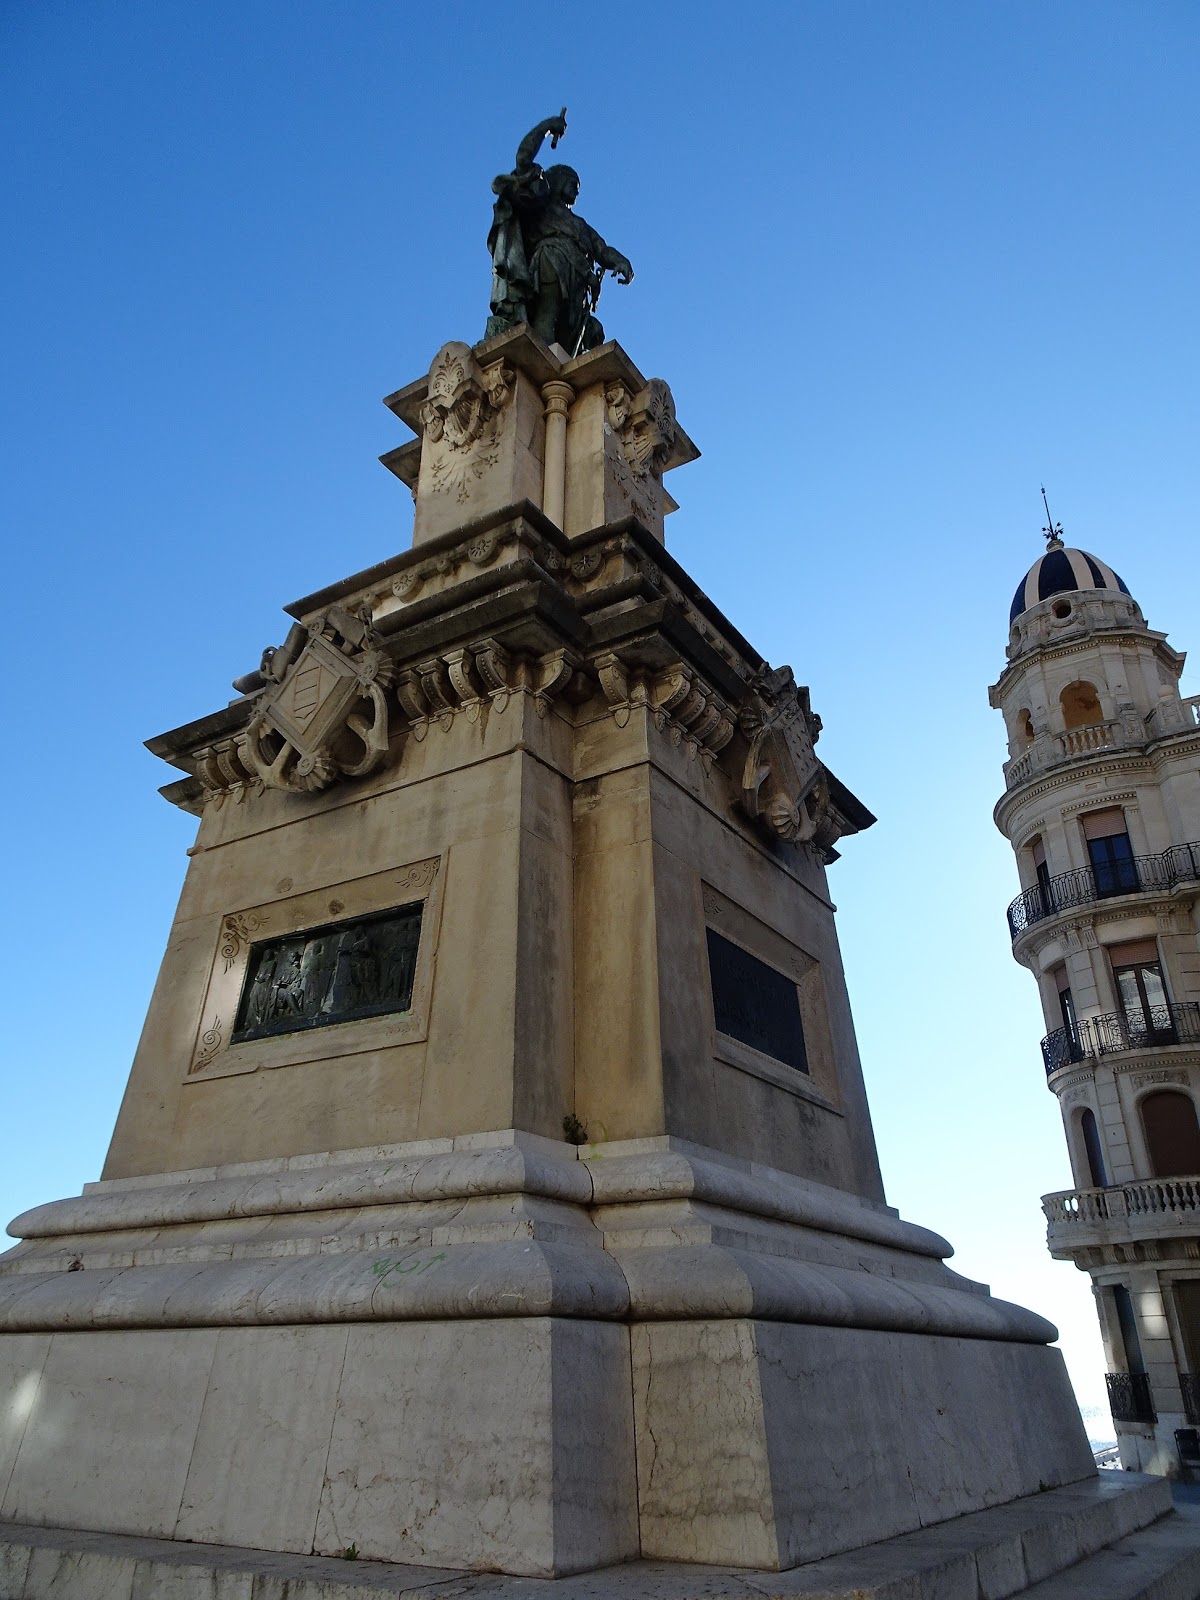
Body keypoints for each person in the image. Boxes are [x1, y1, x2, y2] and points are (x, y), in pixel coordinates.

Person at [486, 110, 633, 356]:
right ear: (556, 181)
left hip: (580, 282)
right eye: (572, 182)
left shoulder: (580, 224)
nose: (576, 190)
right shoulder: (539, 203)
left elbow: (601, 249)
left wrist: (621, 261)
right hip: (550, 262)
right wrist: (546, 127)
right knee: (546, 318)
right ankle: (538, 367)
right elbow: (523, 159)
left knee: (569, 339)